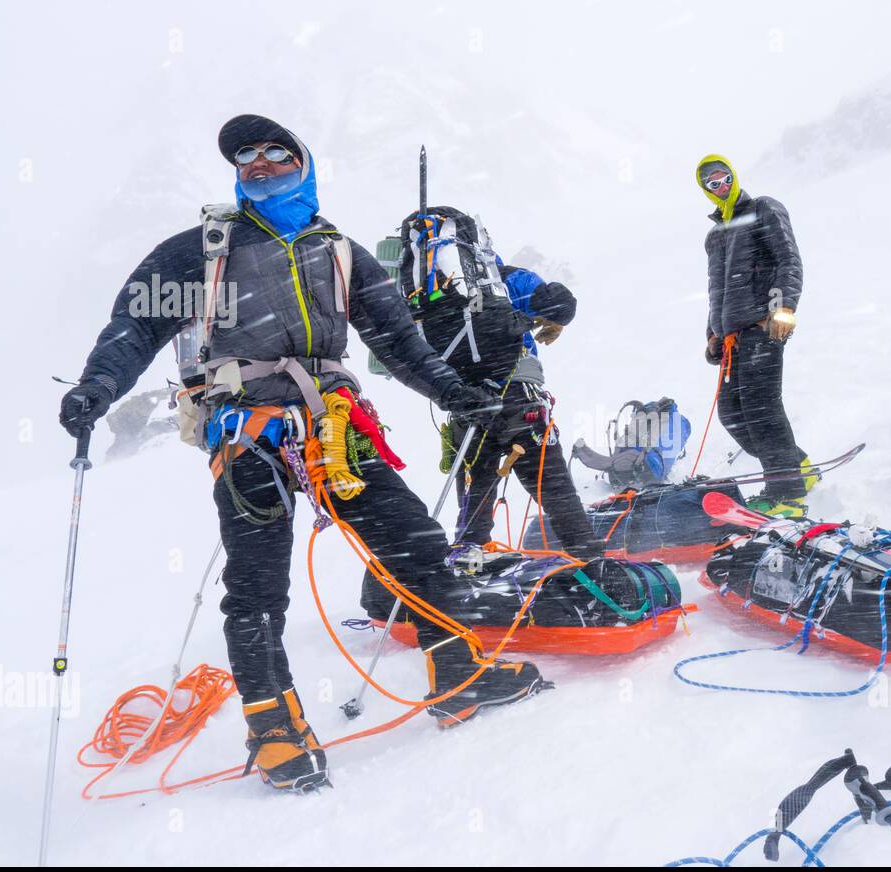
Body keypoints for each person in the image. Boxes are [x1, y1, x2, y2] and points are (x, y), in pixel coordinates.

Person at [58, 115, 549, 791]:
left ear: (303, 162)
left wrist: (459, 393)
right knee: (258, 585)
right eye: (246, 157)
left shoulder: (340, 251)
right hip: (246, 426)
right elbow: (137, 322)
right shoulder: (205, 248)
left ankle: (460, 675)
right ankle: (274, 729)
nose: (258, 163)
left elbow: (401, 343)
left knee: (416, 542)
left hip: (334, 423)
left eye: (274, 152)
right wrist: (99, 385)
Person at [405, 210, 600, 559]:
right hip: (520, 400)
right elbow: (561, 303)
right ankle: (590, 562)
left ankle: (468, 565)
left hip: (468, 407)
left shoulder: (426, 295)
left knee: (475, 503)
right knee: (556, 494)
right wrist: (553, 320)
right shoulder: (505, 281)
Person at [697, 154, 814, 518]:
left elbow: (788, 259)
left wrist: (783, 308)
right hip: (732, 337)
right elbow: (716, 289)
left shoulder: (763, 208)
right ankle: (799, 469)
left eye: (723, 177)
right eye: (711, 183)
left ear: (733, 174)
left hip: (762, 326)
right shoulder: (715, 235)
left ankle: (788, 495)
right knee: (732, 413)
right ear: (706, 190)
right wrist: (713, 333)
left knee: (762, 410)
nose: (720, 185)